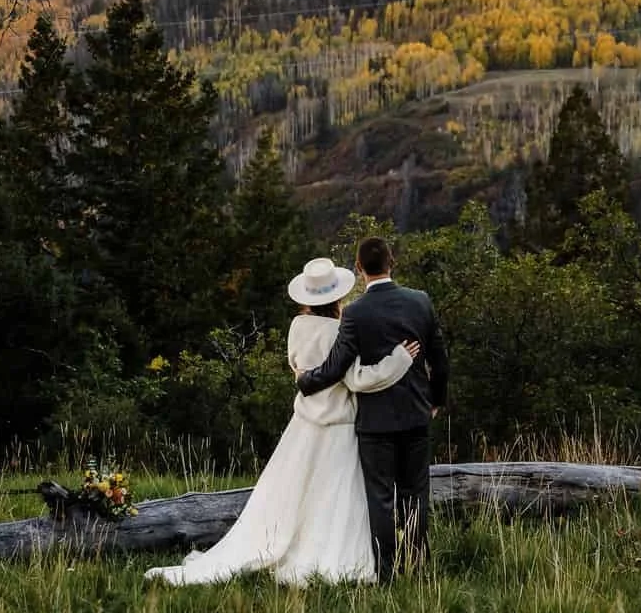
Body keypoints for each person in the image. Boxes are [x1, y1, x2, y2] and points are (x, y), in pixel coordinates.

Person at [144, 257, 422, 586]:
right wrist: (398, 361)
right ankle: (331, 557)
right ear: (337, 297)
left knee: (294, 493)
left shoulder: (297, 327)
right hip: (339, 428)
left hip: (304, 426)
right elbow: (357, 379)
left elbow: (301, 371)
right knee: (333, 499)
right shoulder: (339, 330)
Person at [295, 236, 450, 583]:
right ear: (392, 262)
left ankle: (385, 572)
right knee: (415, 495)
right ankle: (417, 567)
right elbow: (440, 362)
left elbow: (336, 367)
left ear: (359, 268)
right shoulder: (420, 302)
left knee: (379, 499)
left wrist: (306, 381)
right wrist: (436, 400)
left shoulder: (354, 313)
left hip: (375, 423)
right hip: (415, 415)